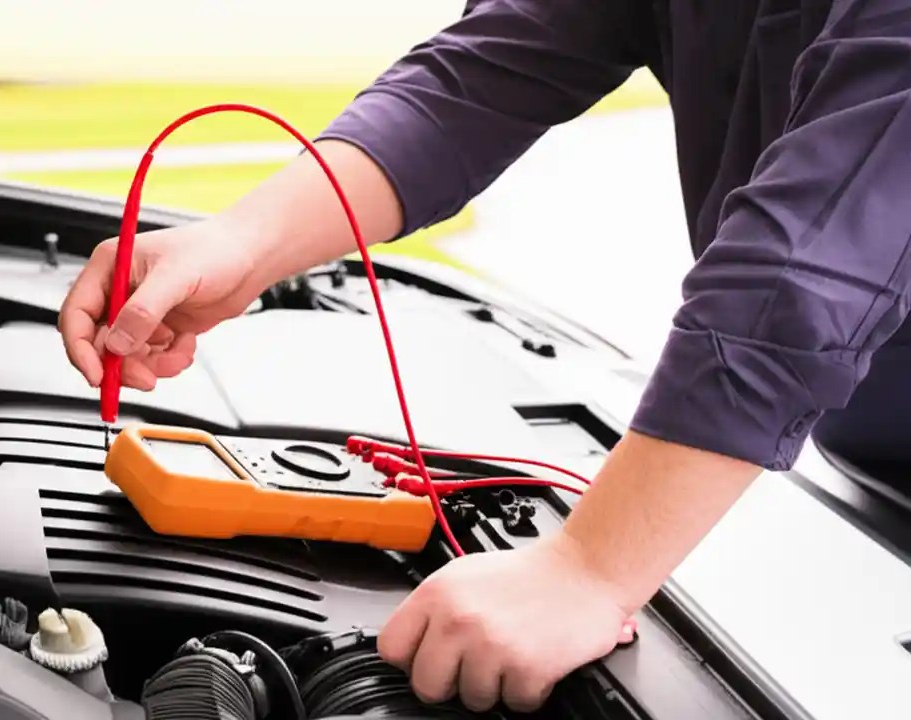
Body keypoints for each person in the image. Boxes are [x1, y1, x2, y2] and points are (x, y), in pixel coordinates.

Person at [60, 0, 911, 712]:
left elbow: (812, 259)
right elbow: (482, 74)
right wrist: (245, 242)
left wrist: (592, 567)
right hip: (870, 447)